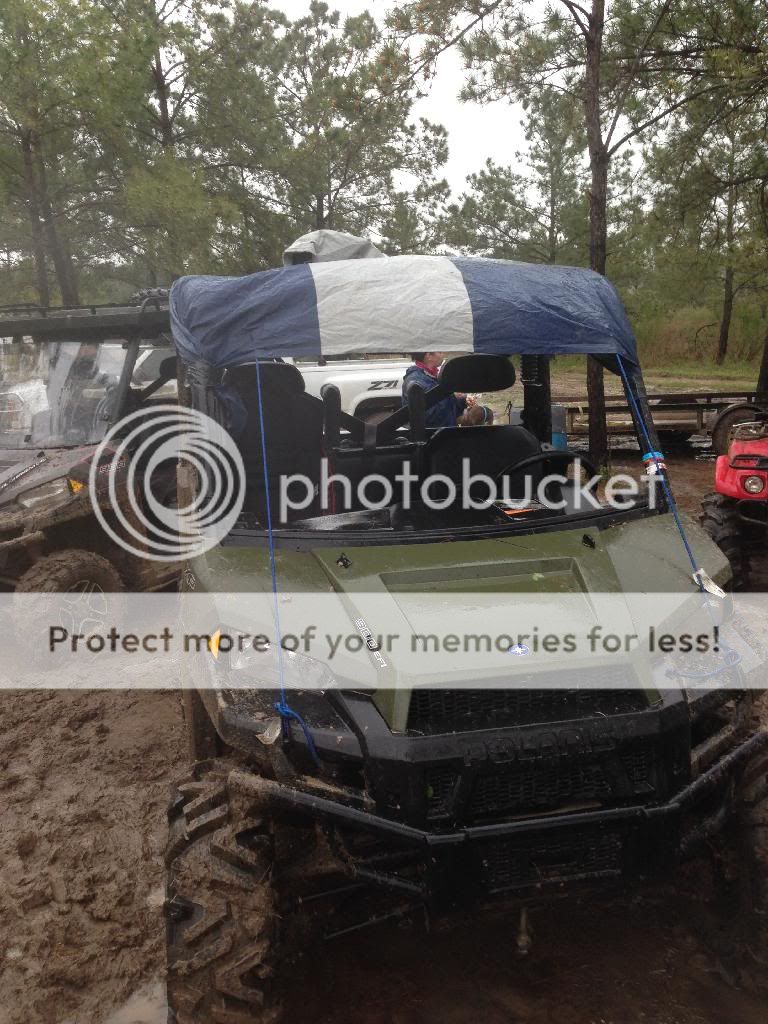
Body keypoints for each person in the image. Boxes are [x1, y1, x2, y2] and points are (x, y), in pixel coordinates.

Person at [402, 352, 494, 428]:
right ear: (429, 356)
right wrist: (452, 397)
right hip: (432, 438)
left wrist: (463, 400)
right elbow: (431, 416)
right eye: (440, 352)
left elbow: (441, 405)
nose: (443, 354)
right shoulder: (417, 381)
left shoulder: (429, 376)